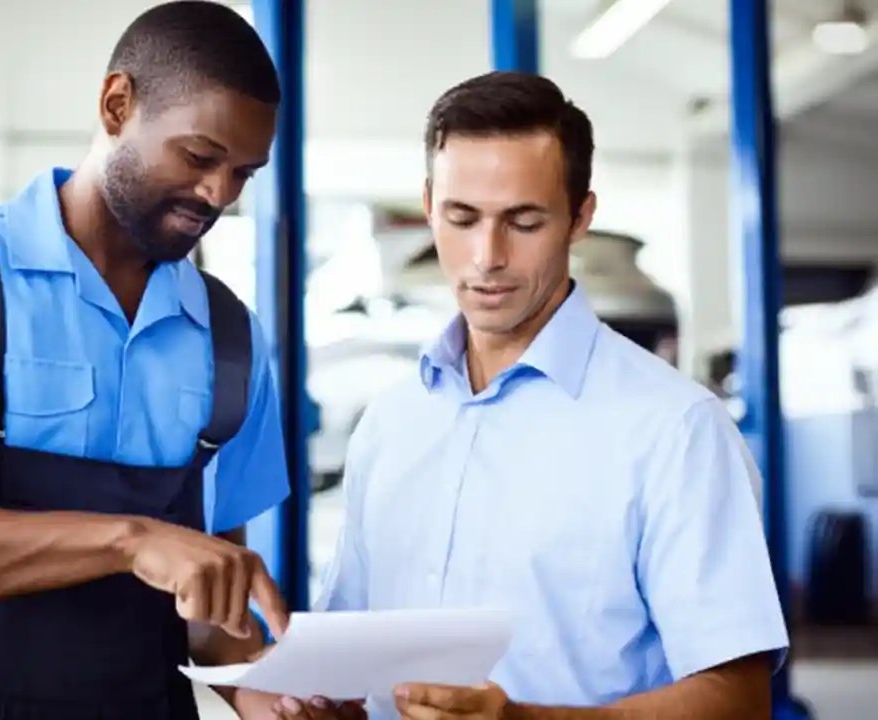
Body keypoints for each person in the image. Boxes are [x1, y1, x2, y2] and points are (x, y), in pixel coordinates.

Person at [0, 3, 342, 718]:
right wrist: (128, 541)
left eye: (243, 173)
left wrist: (266, 693)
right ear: (116, 105)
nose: (219, 194)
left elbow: (208, 616)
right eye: (198, 157)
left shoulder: (231, 340)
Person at [311, 72, 790, 720]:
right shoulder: (391, 422)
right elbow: (348, 659)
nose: (487, 256)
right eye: (461, 218)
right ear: (428, 206)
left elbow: (737, 700)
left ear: (580, 217)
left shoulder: (676, 430)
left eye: (524, 221)